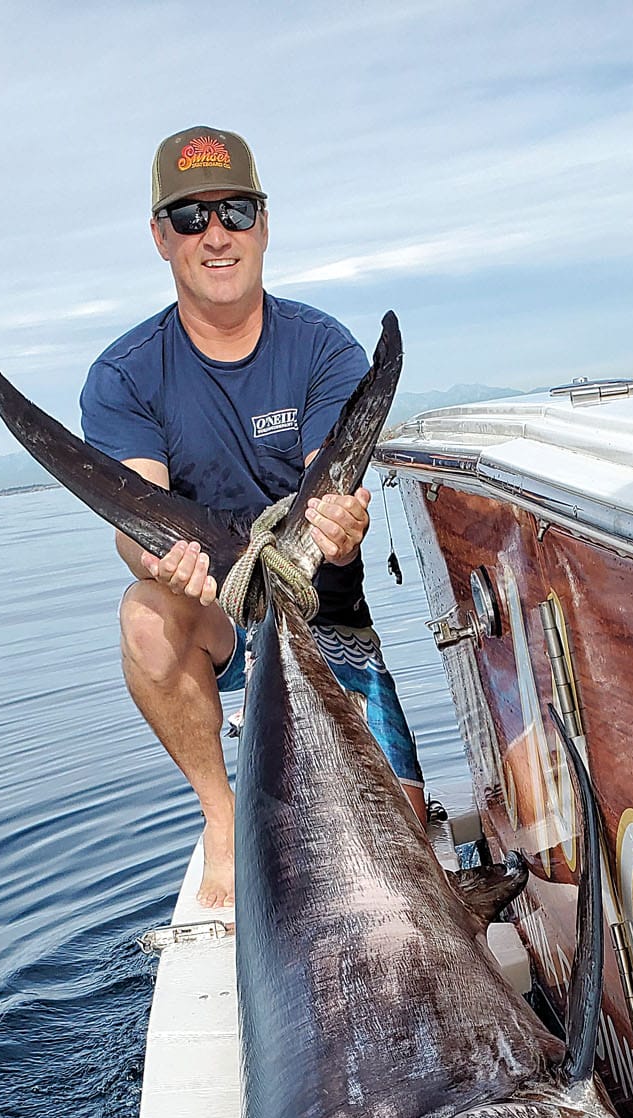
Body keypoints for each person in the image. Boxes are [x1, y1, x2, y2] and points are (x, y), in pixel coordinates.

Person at [80, 126, 424, 908]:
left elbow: (329, 498)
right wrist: (157, 560)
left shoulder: (323, 348)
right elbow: (135, 517)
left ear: (263, 224)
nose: (216, 235)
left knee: (405, 849)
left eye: (234, 211)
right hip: (218, 617)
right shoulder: (124, 376)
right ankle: (222, 817)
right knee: (144, 615)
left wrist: (339, 531)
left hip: (325, 621)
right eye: (191, 217)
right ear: (161, 237)